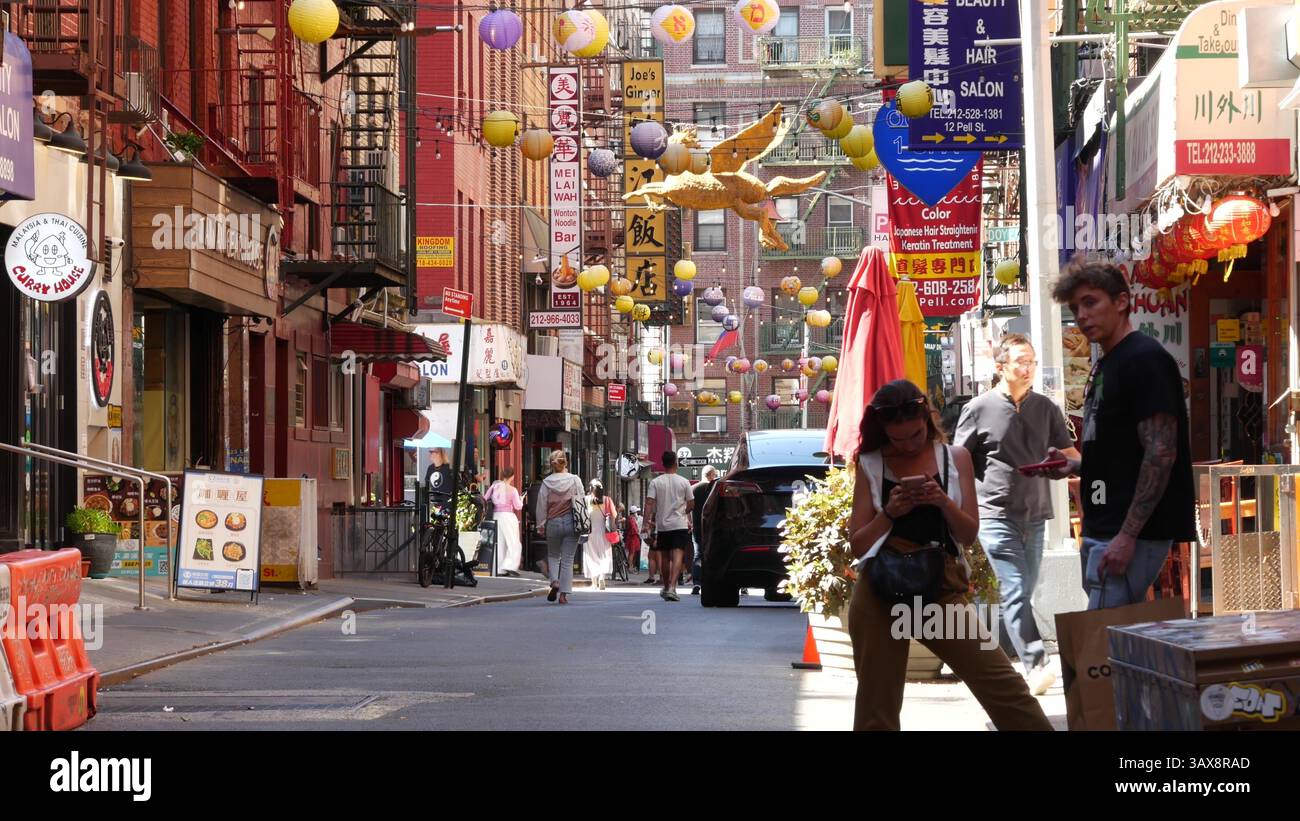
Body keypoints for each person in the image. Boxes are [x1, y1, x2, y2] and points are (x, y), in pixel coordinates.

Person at [847, 379, 1053, 731]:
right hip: (880, 591)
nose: (909, 445)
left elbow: (969, 534)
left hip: (938, 589)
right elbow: (858, 544)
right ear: (883, 430)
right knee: (876, 708)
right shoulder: (871, 464)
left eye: (915, 434)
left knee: (1003, 685)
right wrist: (890, 513)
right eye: (898, 439)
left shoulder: (955, 458)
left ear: (927, 419)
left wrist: (942, 501)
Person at [1035, 259, 1196, 610]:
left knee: (1104, 645)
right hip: (1103, 525)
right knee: (1111, 645)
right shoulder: (1107, 362)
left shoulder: (1145, 359)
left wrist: (1127, 535)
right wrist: (1073, 465)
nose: (1081, 315)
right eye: (1075, 307)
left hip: (1128, 532)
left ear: (1121, 301)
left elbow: (1161, 453)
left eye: (1090, 302)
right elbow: (1119, 456)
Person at [954, 333, 1080, 696]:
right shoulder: (978, 408)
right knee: (1014, 589)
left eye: (1032, 362)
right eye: (1021, 362)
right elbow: (958, 460)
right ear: (1000, 367)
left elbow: (1072, 456)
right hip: (994, 513)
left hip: (1037, 513)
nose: (1028, 369)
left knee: (1024, 589)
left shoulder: (1047, 408)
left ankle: (1007, 655)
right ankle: (1037, 664)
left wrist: (1064, 464)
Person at [536, 450, 585, 605]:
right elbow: (582, 501)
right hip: (571, 522)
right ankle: (563, 595)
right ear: (566, 463)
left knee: (553, 555)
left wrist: (541, 524)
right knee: (568, 560)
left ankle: (555, 581)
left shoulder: (546, 483)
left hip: (553, 522)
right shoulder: (575, 480)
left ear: (552, 465)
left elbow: (541, 505)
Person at [644, 451, 694, 602]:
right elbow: (691, 503)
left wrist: (645, 523)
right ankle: (673, 587)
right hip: (680, 524)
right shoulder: (684, 482)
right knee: (677, 554)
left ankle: (666, 587)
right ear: (676, 462)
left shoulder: (655, 482)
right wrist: (684, 513)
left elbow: (649, 503)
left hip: (663, 525)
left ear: (663, 463)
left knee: (664, 557)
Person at [486, 467, 524, 577]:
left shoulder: (494, 486)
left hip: (496, 515)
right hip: (508, 516)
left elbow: (485, 498)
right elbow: (518, 506)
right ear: (512, 476)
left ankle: (498, 569)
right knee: (513, 542)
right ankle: (509, 565)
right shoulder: (513, 490)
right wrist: (521, 500)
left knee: (499, 542)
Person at [690, 466, 720, 596]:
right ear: (712, 475)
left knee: (698, 554)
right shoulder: (715, 488)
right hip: (714, 526)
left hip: (697, 527)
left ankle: (697, 583)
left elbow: (688, 508)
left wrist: (689, 522)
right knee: (716, 553)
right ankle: (715, 582)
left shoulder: (693, 489)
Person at [584, 480, 617, 590]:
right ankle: (602, 577)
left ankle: (594, 582)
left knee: (591, 556)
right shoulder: (607, 500)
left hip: (590, 532)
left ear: (590, 488)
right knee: (604, 555)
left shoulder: (586, 500)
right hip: (604, 532)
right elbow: (614, 515)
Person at [624, 505, 643, 578]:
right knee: (632, 553)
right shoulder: (632, 519)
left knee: (632, 553)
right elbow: (634, 528)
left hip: (632, 537)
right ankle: (630, 567)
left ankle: (630, 566)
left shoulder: (631, 518)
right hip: (633, 537)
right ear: (634, 512)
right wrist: (637, 532)